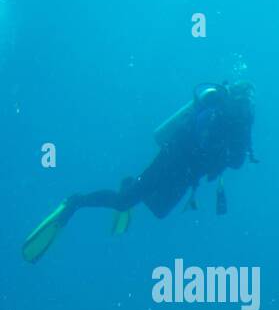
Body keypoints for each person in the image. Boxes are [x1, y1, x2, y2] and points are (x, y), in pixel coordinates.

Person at [21, 81, 257, 263]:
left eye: (246, 105)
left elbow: (236, 163)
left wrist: (231, 149)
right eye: (240, 103)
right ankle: (74, 203)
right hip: (171, 160)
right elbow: (202, 142)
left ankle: (130, 185)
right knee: (124, 202)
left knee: (159, 211)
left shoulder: (243, 126)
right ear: (232, 100)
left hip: (187, 176)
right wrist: (221, 151)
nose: (242, 108)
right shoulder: (214, 113)